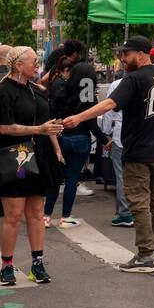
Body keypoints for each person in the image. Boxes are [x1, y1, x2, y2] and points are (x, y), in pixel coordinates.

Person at [63, 36, 154, 273]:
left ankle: (145, 255)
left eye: (126, 54)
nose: (122, 59)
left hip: (137, 149)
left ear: (140, 54)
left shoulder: (134, 78)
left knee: (138, 202)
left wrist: (79, 117)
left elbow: (109, 104)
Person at [0, 46, 63, 285]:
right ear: (18, 65)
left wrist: (56, 146)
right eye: (34, 62)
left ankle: (37, 264)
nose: (37, 66)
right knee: (14, 215)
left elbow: (46, 122)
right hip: (14, 157)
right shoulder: (3, 91)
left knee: (37, 213)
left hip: (39, 155)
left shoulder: (36, 89)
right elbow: (4, 128)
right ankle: (7, 265)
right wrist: (39, 130)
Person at [45, 59, 98, 229]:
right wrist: (105, 140)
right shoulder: (88, 95)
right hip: (81, 139)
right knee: (72, 179)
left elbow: (50, 115)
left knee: (55, 179)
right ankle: (65, 217)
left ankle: (46, 216)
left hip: (59, 138)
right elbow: (92, 123)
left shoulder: (60, 88)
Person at [99, 70, 132, 227]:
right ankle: (138, 211)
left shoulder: (117, 85)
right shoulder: (149, 82)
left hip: (121, 135)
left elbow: (108, 110)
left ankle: (125, 213)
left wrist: (105, 133)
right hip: (143, 137)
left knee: (121, 175)